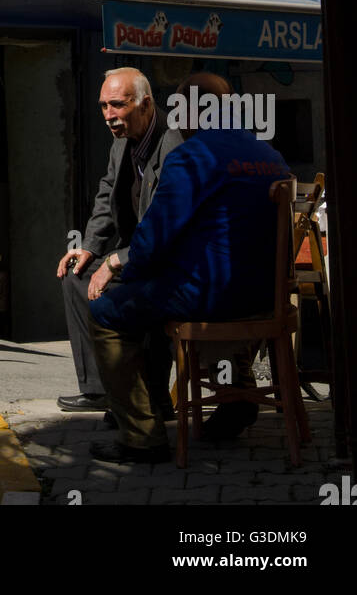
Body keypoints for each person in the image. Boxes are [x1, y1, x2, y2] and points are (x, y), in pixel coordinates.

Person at [87, 71, 291, 463]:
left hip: (212, 298)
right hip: (267, 297)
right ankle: (236, 395)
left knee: (105, 312)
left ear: (188, 110)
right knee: (188, 285)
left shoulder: (192, 157)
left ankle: (142, 436)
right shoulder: (269, 155)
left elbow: (151, 243)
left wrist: (113, 261)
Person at [56, 67, 184, 416]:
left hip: (164, 259)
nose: (109, 116)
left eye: (117, 105)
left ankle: (144, 400)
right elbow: (106, 194)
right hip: (134, 251)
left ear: (145, 104)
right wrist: (90, 247)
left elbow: (164, 227)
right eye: (103, 106)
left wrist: (116, 262)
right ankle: (100, 389)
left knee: (123, 295)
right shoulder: (121, 143)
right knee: (75, 276)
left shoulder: (172, 145)